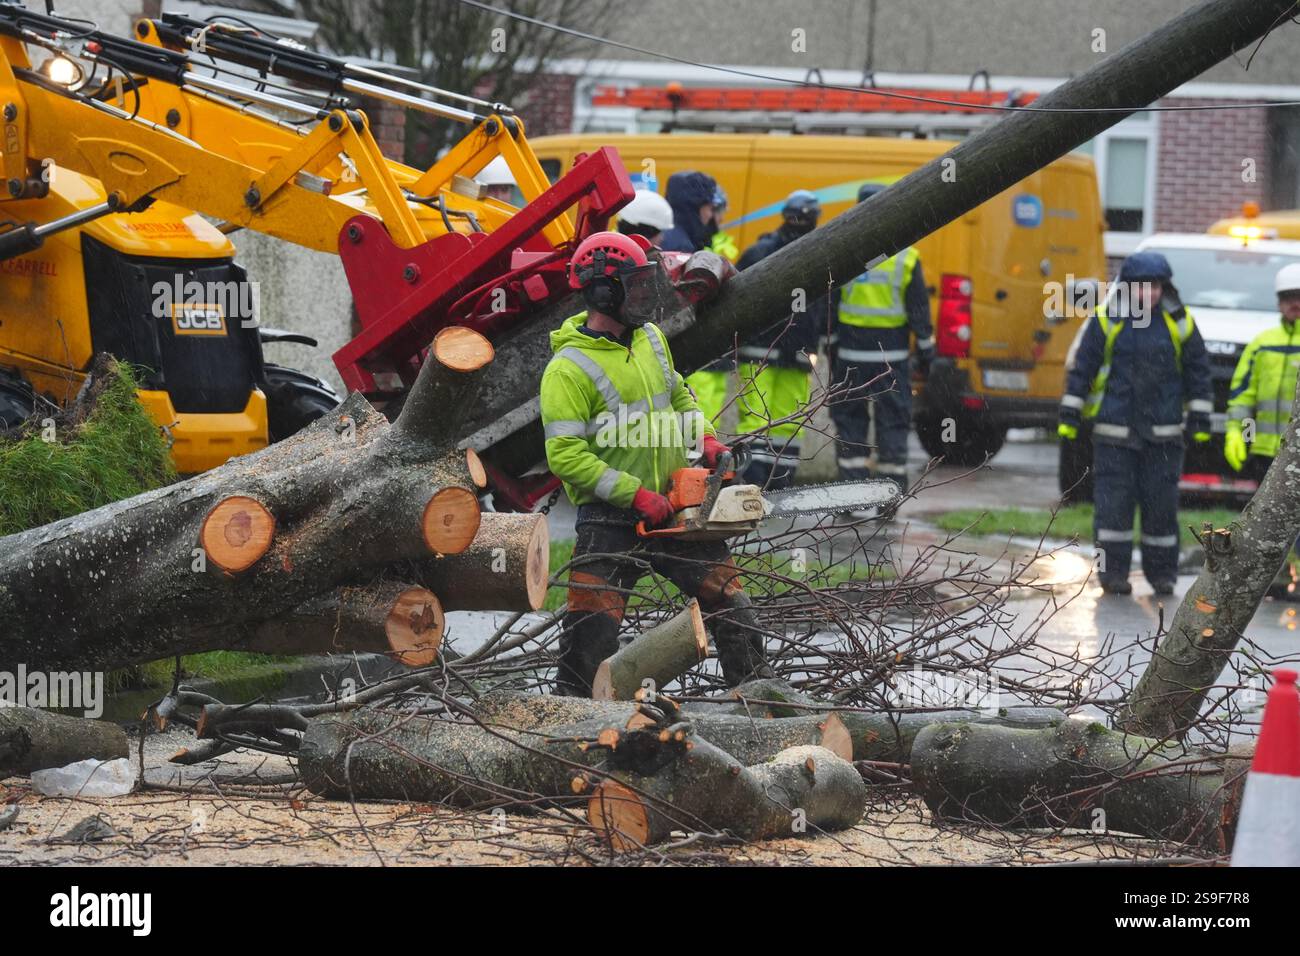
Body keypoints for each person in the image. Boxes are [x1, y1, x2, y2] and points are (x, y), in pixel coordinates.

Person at [540, 231, 772, 696]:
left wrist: (703, 436)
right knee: (591, 637)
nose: (647, 295)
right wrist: (632, 493)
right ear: (605, 291)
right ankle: (570, 721)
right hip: (609, 519)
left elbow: (679, 394)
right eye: (636, 285)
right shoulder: (567, 369)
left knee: (733, 607)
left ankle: (758, 702)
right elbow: (565, 455)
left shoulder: (650, 338)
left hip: (673, 509)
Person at [1059, 251, 1212, 596]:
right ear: (1127, 288)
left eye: (1156, 286)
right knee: (1112, 513)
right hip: (1115, 436)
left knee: (1161, 512)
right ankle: (1111, 577)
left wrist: (1200, 418)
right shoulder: (1108, 320)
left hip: (1163, 438)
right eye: (1143, 287)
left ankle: (1163, 577)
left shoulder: (1179, 321)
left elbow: (1197, 371)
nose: (1150, 294)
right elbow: (1083, 367)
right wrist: (1070, 414)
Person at [828, 183, 934, 495]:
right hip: (891, 359)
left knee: (850, 426)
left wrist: (830, 343)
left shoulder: (844, 249)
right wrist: (927, 351)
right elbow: (918, 309)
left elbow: (830, 304)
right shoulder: (907, 256)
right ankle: (889, 495)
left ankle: (849, 496)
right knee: (893, 425)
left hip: (850, 356)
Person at [733, 189, 826, 489]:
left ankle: (769, 483)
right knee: (772, 421)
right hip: (776, 351)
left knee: (779, 423)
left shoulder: (765, 251)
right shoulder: (810, 253)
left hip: (785, 351)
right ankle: (762, 482)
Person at [660, 171, 732, 427]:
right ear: (696, 208)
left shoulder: (675, 237)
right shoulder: (680, 246)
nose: (713, 216)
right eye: (710, 208)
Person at [1225, 263, 1300, 478]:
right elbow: (1244, 396)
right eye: (1288, 297)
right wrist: (1237, 432)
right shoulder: (1262, 343)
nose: (1295, 303)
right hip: (1265, 452)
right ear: (1279, 303)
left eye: (1299, 296)